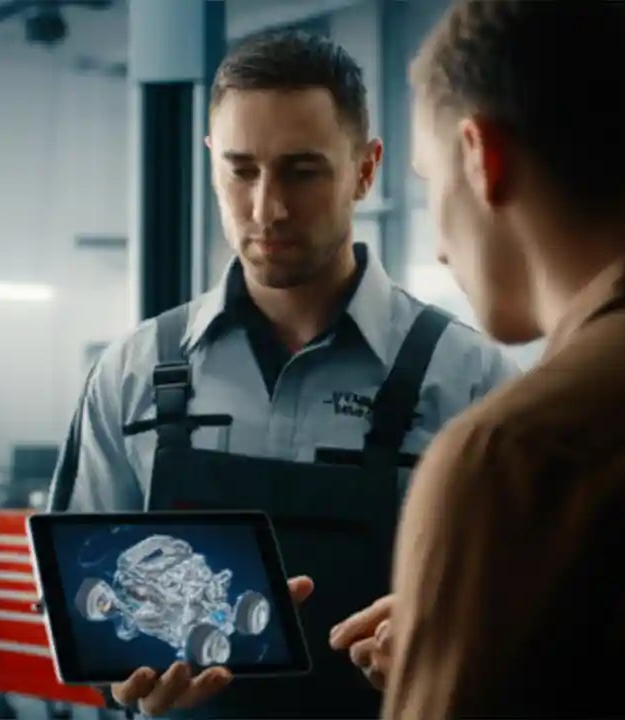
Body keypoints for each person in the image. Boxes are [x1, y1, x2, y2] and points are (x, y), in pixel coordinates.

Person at [330, 1, 625, 717]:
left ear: (480, 156)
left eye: (431, 184)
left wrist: (443, 656)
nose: (436, 245)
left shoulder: (513, 458)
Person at [47, 29, 520, 719]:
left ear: (365, 169)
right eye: (242, 170)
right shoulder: (132, 374)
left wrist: (454, 656)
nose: (267, 208)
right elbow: (79, 601)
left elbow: (530, 622)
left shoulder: (473, 382)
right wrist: (116, 682)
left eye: (303, 170)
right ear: (212, 163)